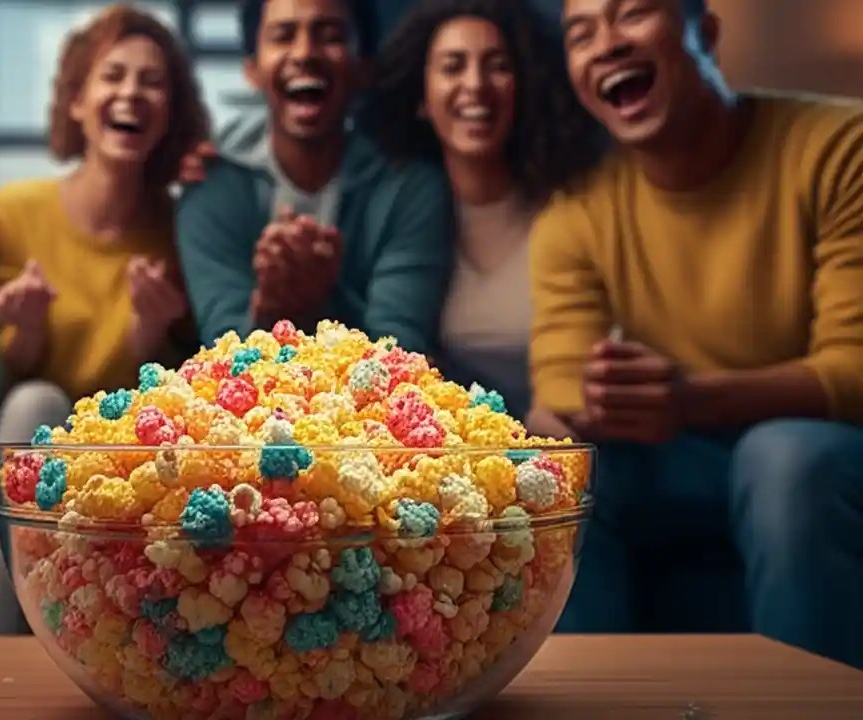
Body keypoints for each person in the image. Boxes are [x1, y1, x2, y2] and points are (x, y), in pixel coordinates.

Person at [530, 0, 863, 668]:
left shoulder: (837, 147)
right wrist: (580, 409)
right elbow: (560, 397)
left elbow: (853, 372)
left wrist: (691, 401)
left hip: (816, 452)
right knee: (564, 472)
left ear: (704, 32)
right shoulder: (575, 208)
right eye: (581, 34)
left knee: (783, 458)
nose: (606, 45)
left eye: (632, 15)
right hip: (674, 457)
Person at [0, 4, 208, 635]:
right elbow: (6, 384)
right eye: (114, 76)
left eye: (151, 82)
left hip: (129, 464)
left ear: (171, 114)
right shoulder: (14, 212)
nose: (131, 93)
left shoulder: (184, 230)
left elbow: (169, 409)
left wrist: (147, 339)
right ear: (77, 101)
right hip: (35, 440)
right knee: (32, 399)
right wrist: (23, 335)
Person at [359, 0, 606, 415]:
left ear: (523, 85)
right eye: (453, 66)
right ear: (420, 97)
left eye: (498, 65)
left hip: (573, 439)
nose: (476, 84)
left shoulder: (572, 207)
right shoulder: (397, 216)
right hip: (455, 454)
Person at [176, 0, 453, 355]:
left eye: (330, 35)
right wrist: (270, 313)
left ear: (363, 67)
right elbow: (223, 352)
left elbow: (402, 353)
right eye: (283, 35)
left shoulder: (409, 187)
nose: (305, 52)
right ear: (252, 69)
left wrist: (320, 302)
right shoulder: (210, 184)